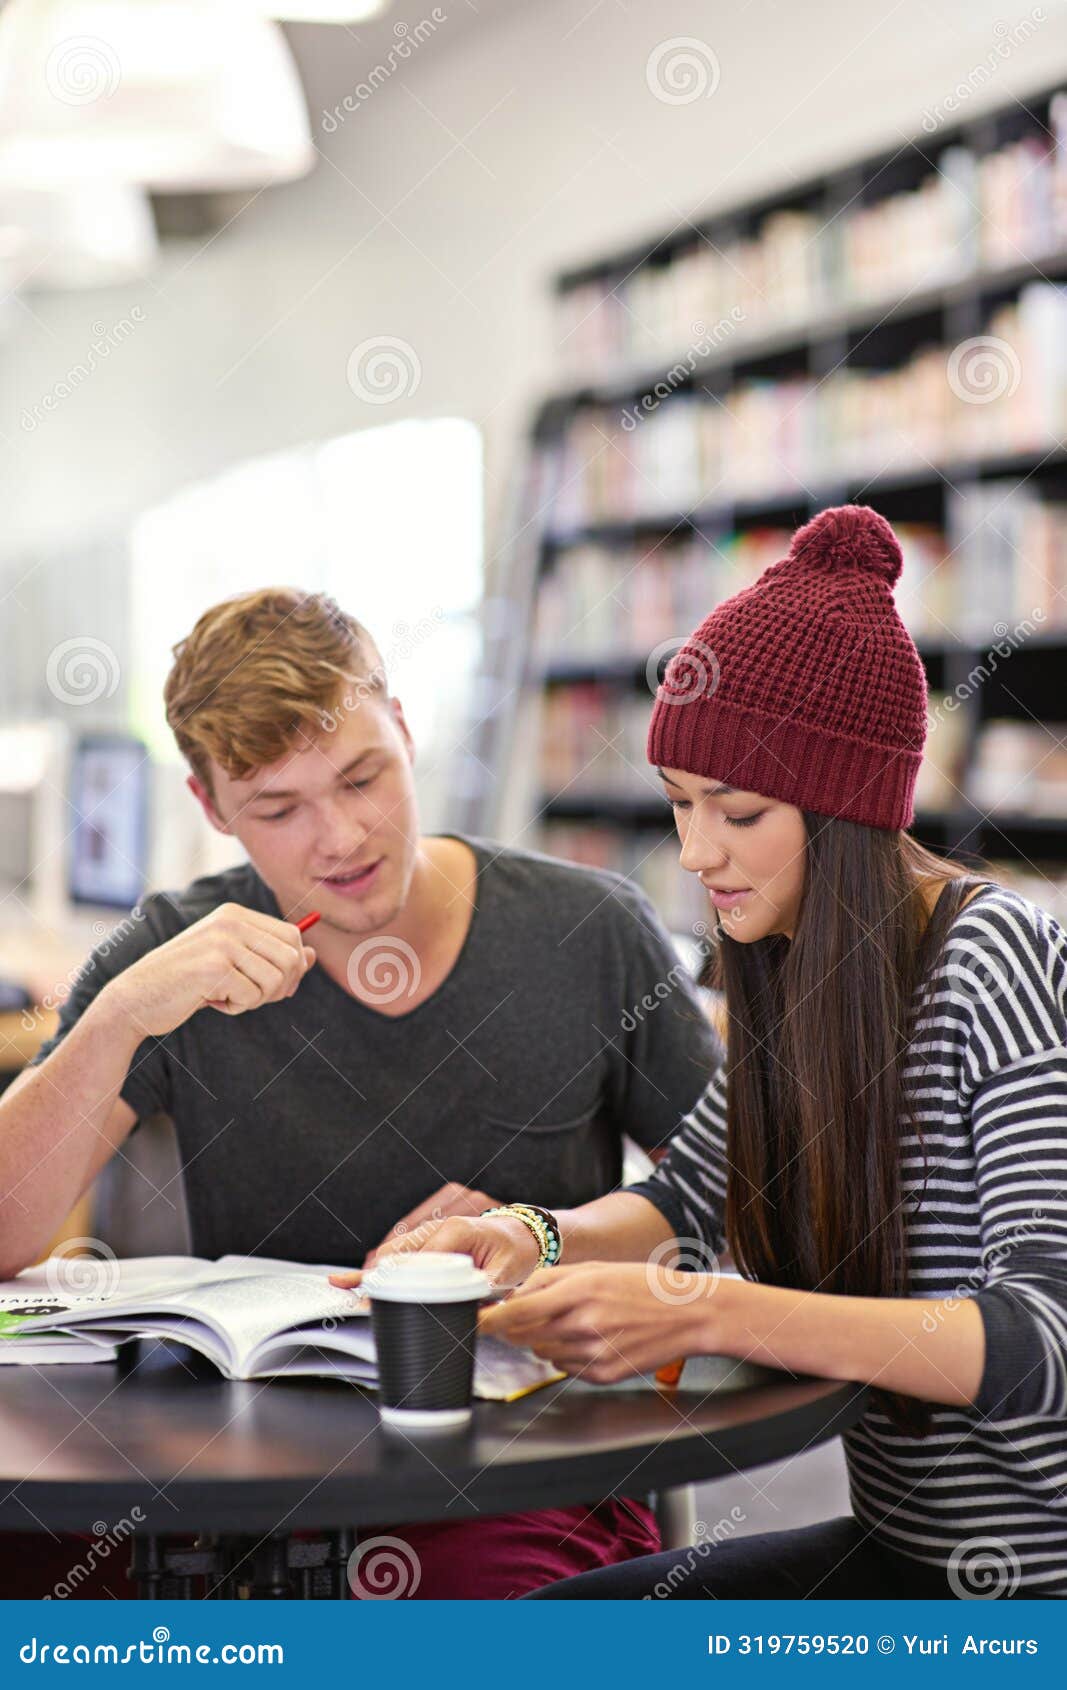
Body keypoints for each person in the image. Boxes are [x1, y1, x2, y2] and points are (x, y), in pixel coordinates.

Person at [336, 506, 1067, 1600]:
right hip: (908, 1560)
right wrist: (528, 1233)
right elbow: (684, 1198)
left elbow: (1043, 1339)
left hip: (1029, 1600)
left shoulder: (990, 956)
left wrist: (702, 1308)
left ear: (846, 813)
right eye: (679, 806)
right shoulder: (789, 961)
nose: (692, 852)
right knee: (529, 1638)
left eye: (737, 813)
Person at [0, 587, 720, 1599]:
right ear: (210, 808)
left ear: (405, 733)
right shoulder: (173, 951)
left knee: (479, 1614)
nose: (339, 836)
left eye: (361, 776)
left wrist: (542, 1235)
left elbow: (740, 1199)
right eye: (277, 809)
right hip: (243, 1469)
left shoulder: (590, 929)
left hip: (518, 1463)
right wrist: (116, 1018)